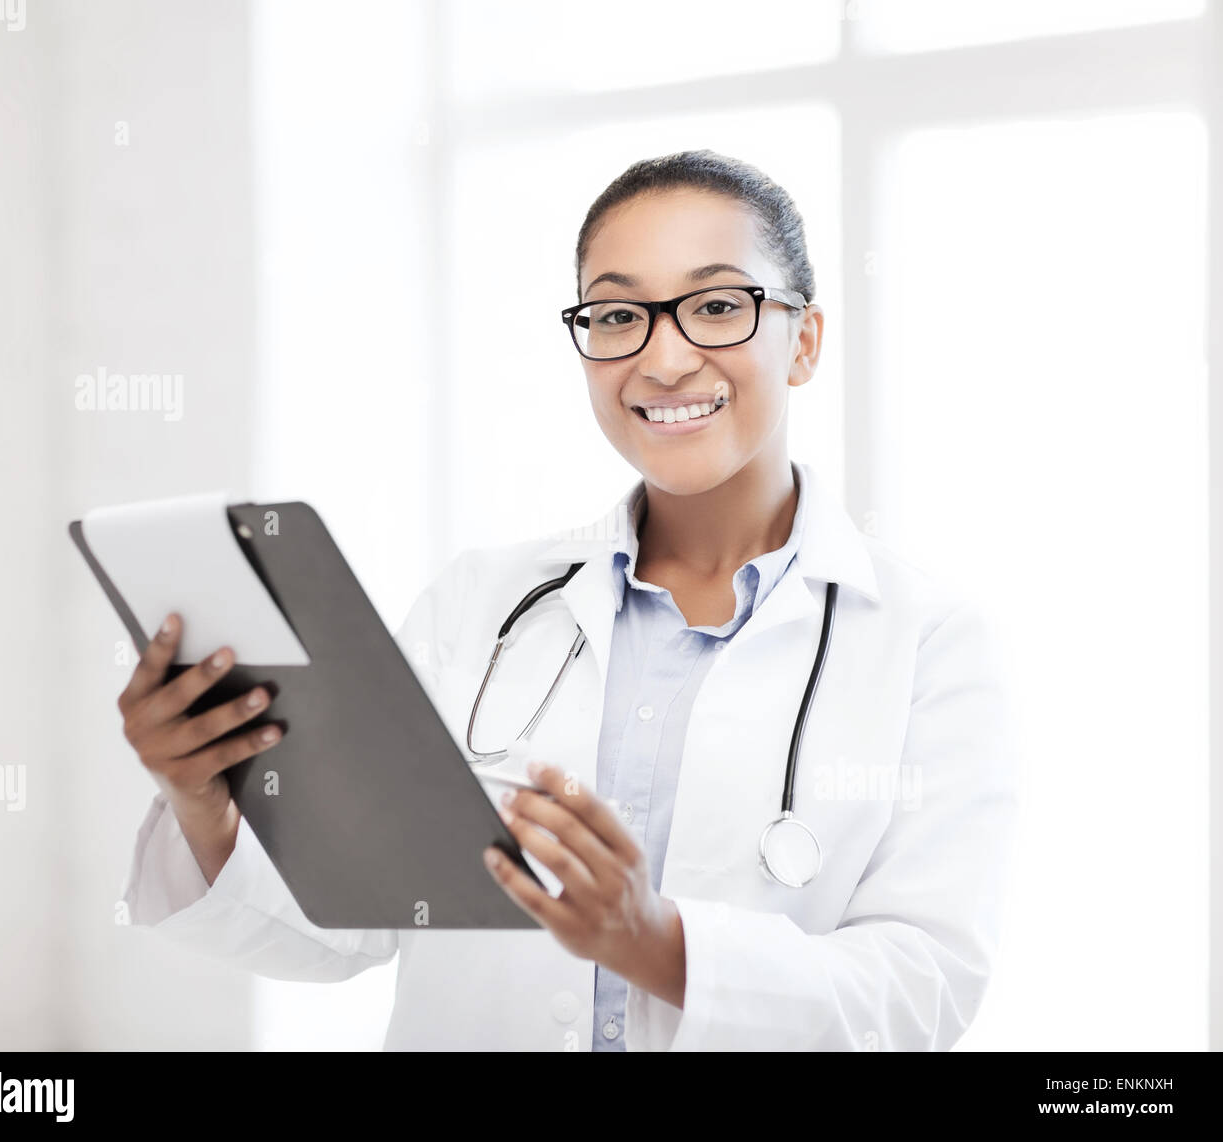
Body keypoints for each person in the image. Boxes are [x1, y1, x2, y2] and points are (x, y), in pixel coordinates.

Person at [116, 149, 1019, 1051]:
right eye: (620, 314)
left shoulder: (926, 642)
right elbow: (356, 917)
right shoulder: (480, 603)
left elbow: (920, 992)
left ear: (805, 340)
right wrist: (206, 799)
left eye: (716, 305)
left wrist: (657, 944)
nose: (664, 359)